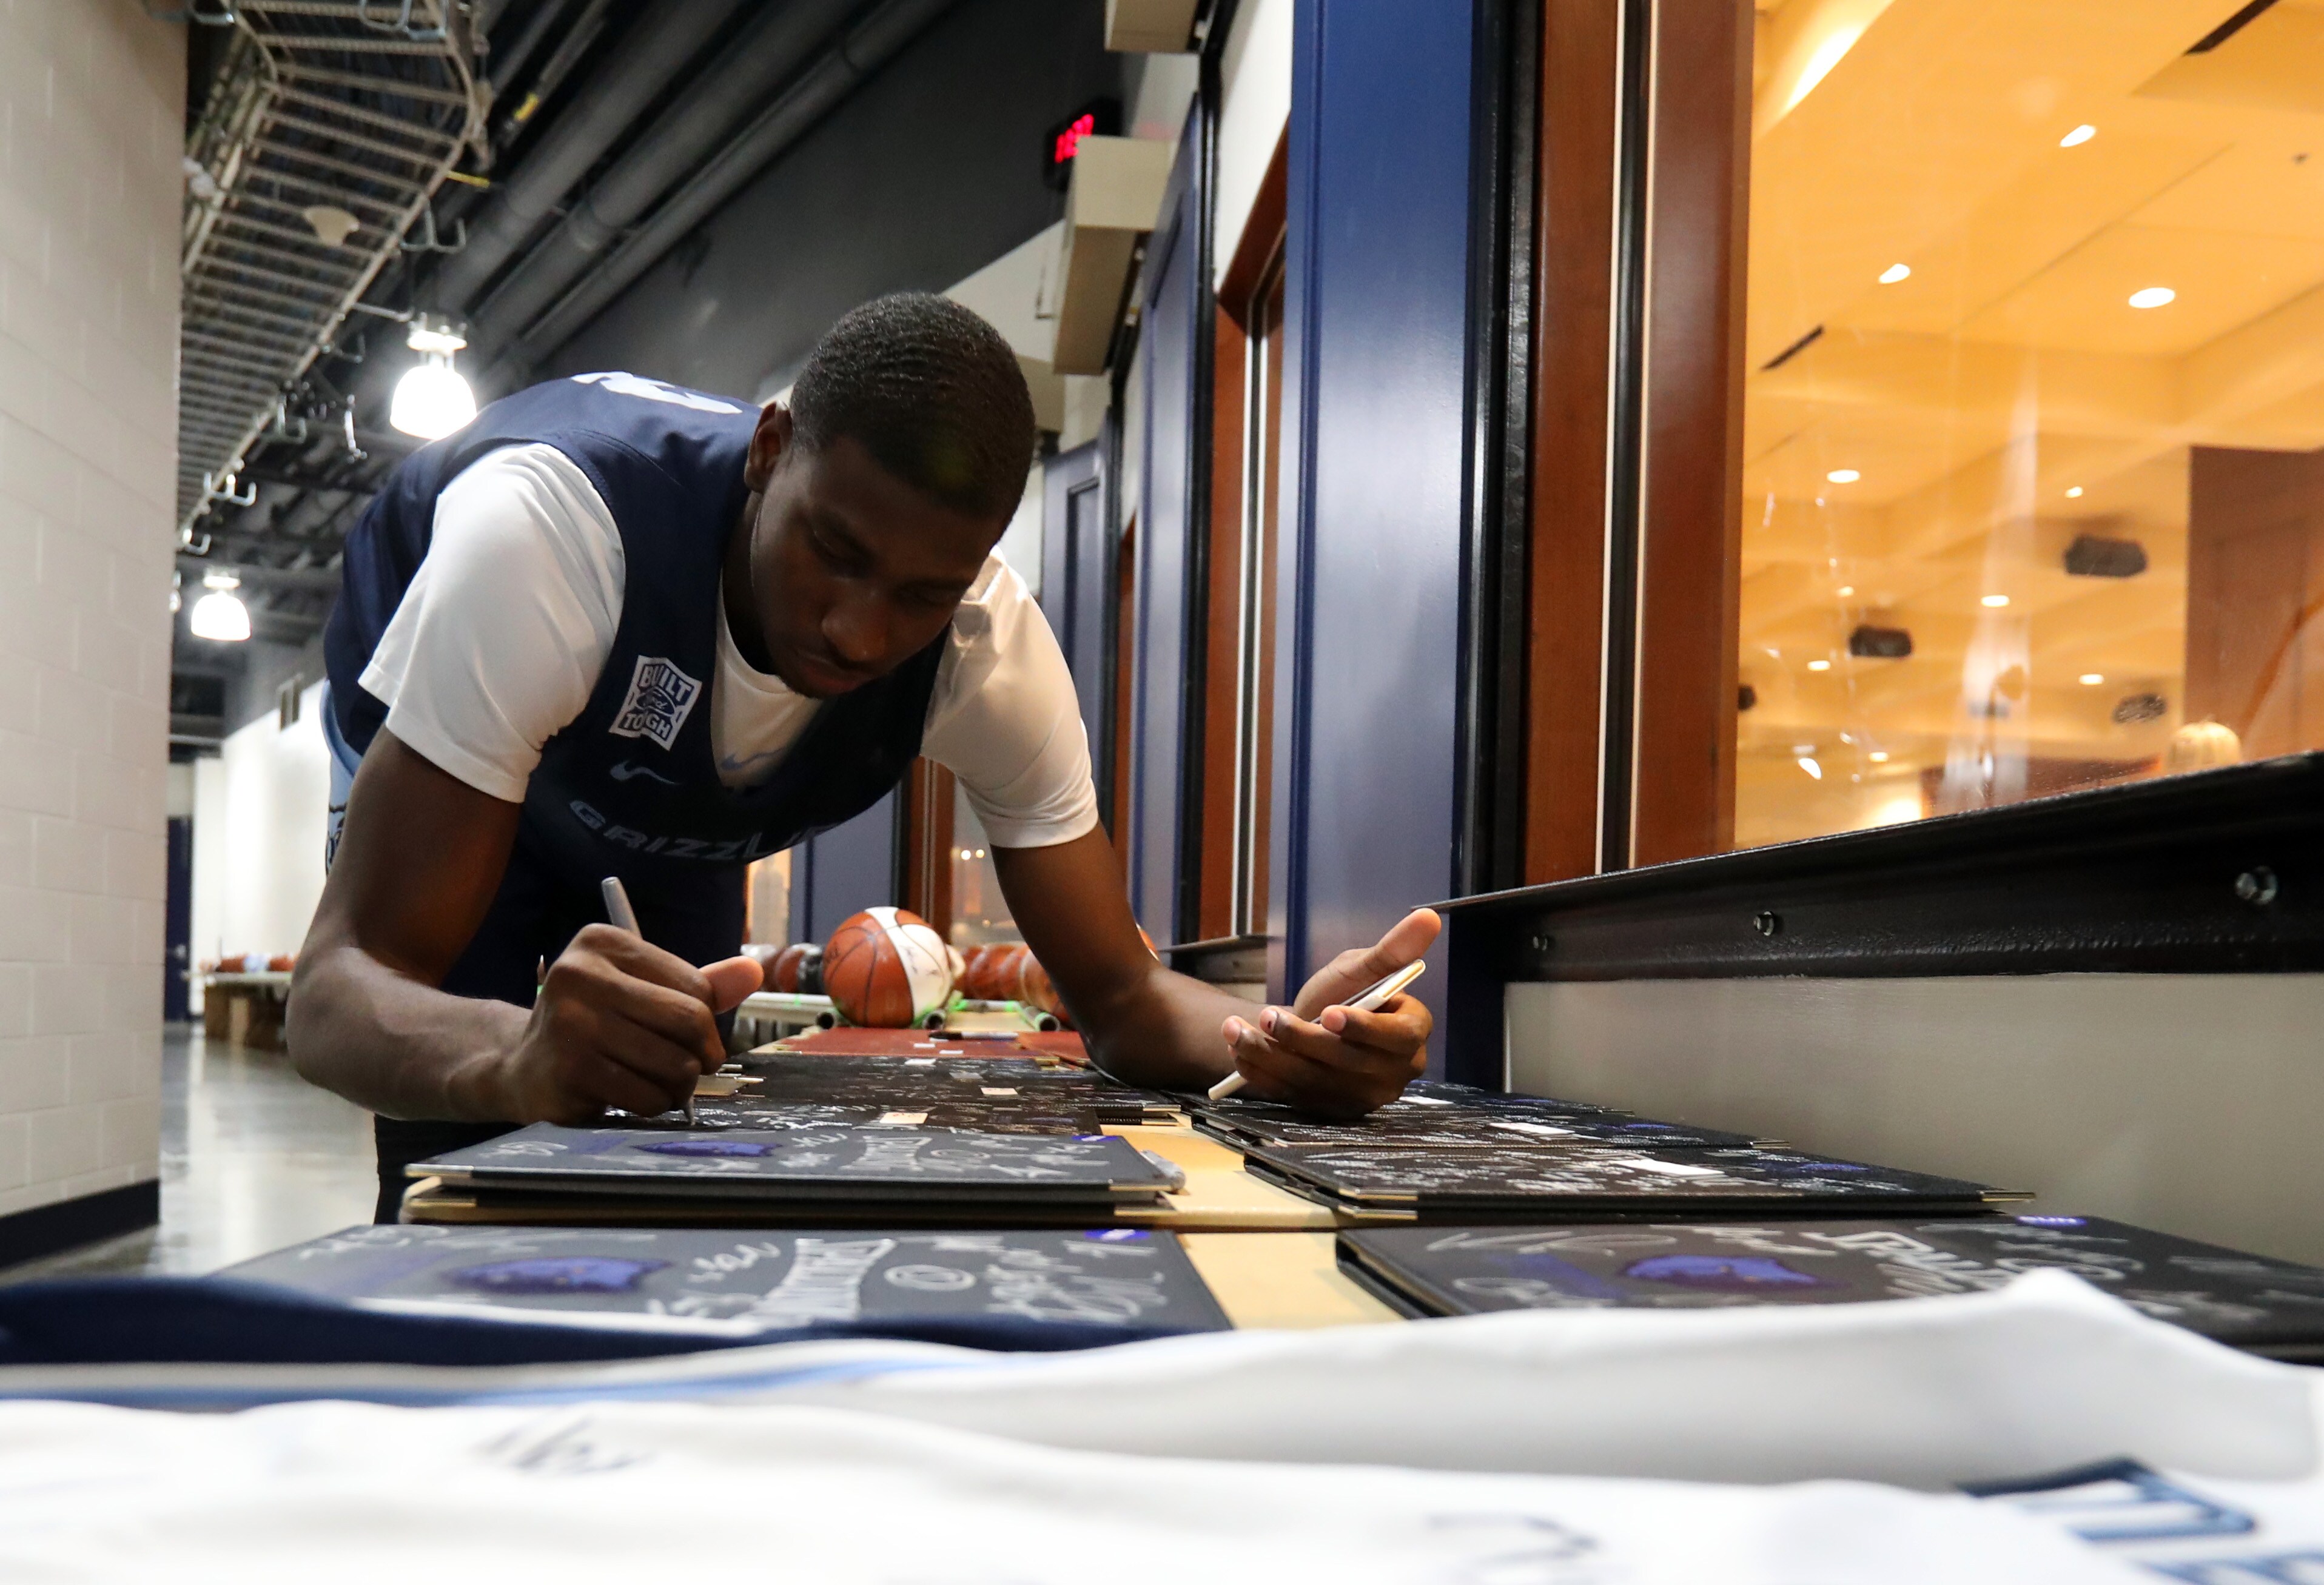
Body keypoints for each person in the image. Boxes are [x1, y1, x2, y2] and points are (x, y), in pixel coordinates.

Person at [287, 293, 1438, 1221]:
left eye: (922, 594)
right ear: (771, 452)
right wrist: (507, 1057)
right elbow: (338, 994)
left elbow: (1123, 995)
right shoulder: (547, 539)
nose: (859, 631)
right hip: (456, 714)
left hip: (664, 807)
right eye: (833, 550)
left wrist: (1276, 1040)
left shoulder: (989, 647)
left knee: (660, 1105)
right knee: (472, 1133)